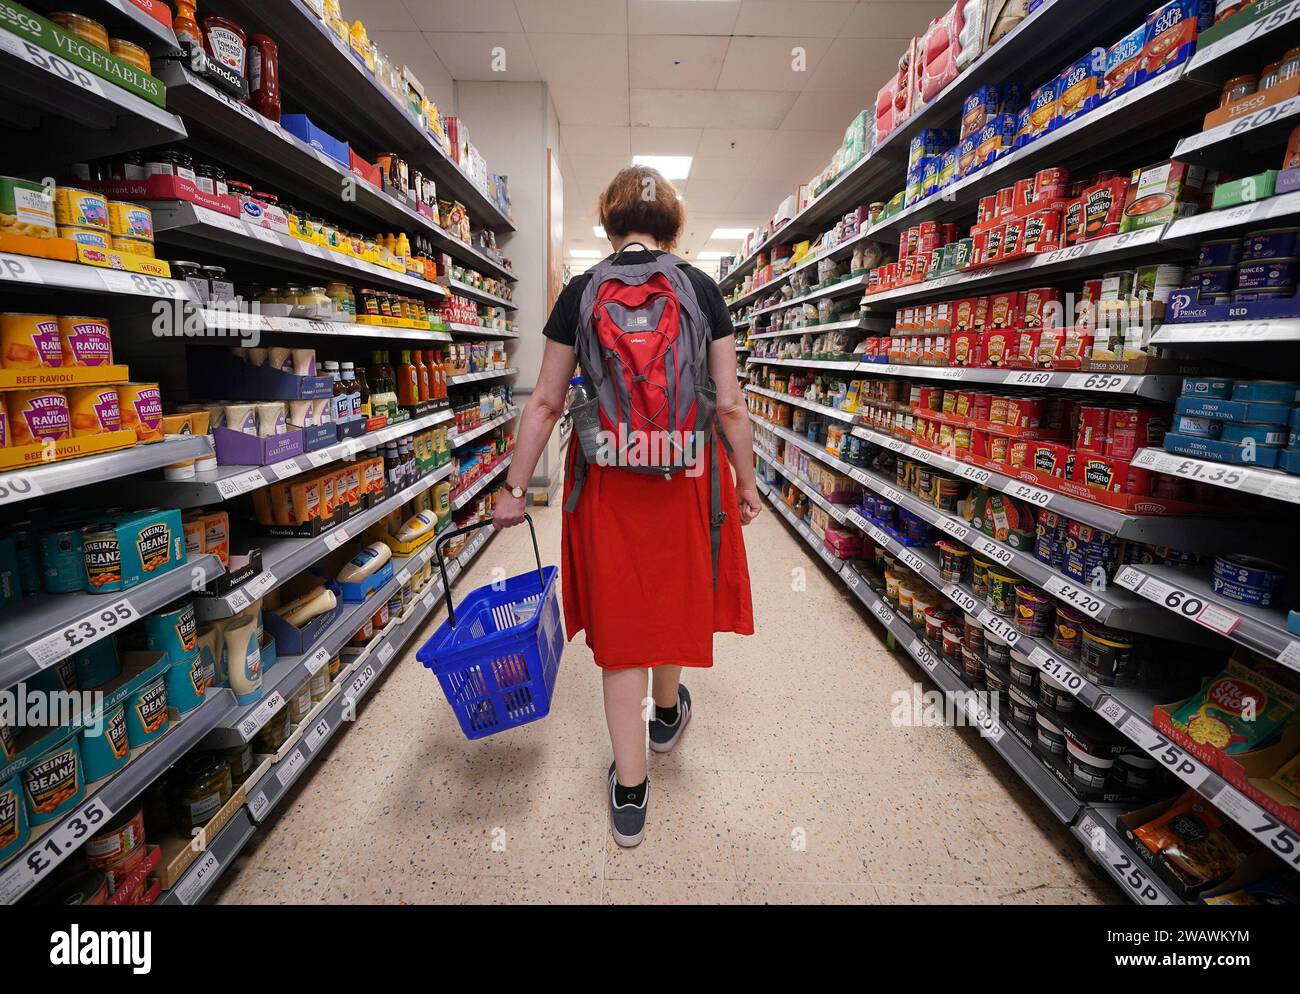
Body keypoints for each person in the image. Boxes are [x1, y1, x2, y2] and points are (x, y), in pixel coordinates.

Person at [492, 165, 759, 846]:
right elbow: (728, 403)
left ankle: (632, 792)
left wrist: (515, 489)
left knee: (623, 624)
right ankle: (667, 716)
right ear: (673, 224)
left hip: (608, 479)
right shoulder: (702, 288)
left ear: (609, 223)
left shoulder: (580, 291)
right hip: (687, 473)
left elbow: (546, 402)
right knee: (672, 595)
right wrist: (748, 481)